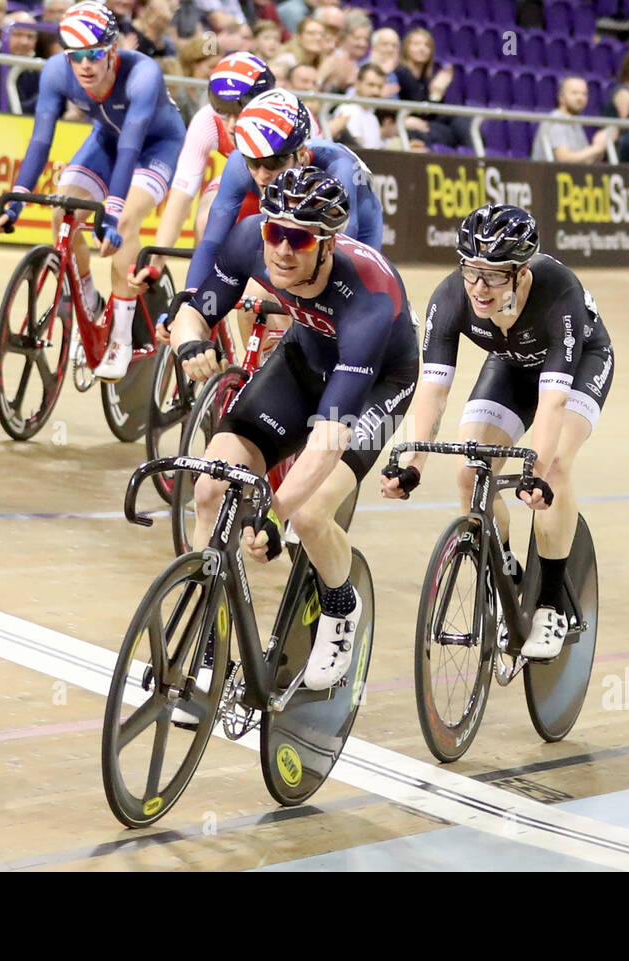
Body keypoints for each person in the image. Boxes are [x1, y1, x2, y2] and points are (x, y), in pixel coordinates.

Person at [168, 166, 419, 692]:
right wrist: (191, 339)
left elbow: (330, 435)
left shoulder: (369, 298)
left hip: (377, 384)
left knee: (308, 514)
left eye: (299, 238)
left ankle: (340, 604)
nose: (281, 249)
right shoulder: (252, 239)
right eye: (274, 232)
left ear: (327, 244)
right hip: (304, 360)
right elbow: (197, 309)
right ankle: (210, 632)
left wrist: (273, 514)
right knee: (212, 487)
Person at [381, 204, 615, 660]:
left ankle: (550, 605)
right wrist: (412, 465)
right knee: (471, 473)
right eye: (471, 271)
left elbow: (553, 400)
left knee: (556, 467)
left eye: (492, 276)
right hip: (509, 367)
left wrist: (538, 472)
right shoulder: (450, 298)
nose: (478, 288)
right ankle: (506, 569)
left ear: (522, 273)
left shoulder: (558, 292)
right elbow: (432, 390)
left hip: (578, 365)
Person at [0, 1, 186, 382]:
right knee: (64, 211)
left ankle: (122, 338)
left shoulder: (143, 74)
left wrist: (110, 213)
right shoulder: (55, 73)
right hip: (106, 143)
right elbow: (41, 141)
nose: (85, 65)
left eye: (95, 54)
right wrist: (15, 201)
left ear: (113, 50)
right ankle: (88, 297)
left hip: (154, 147)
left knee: (125, 222)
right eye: (76, 56)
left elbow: (131, 146)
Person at [182, 88, 383, 289]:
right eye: (252, 161)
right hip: (286, 216)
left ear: (301, 155)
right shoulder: (238, 163)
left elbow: (338, 253)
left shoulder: (338, 171)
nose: (262, 175)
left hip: (355, 232)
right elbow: (211, 243)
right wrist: (189, 299)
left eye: (273, 163)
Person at [151, 51, 276, 263]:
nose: (232, 125)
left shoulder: (285, 121)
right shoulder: (206, 119)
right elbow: (181, 197)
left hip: (280, 190)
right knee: (204, 221)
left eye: (241, 111)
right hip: (242, 184)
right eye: (224, 111)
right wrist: (156, 261)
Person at [531, 76, 608, 163]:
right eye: (574, 93)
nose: (580, 98)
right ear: (561, 98)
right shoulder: (557, 120)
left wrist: (600, 146)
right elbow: (563, 159)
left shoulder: (574, 122)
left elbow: (585, 161)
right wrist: (595, 149)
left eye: (584, 94)